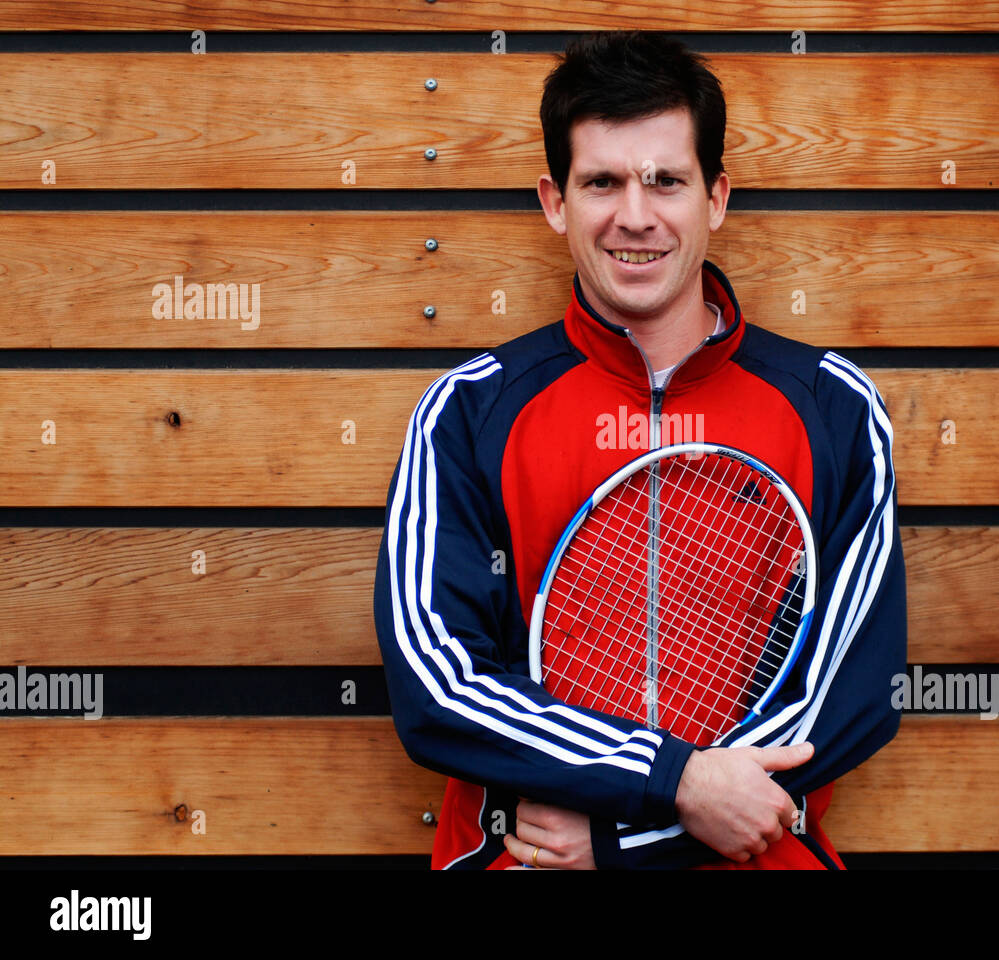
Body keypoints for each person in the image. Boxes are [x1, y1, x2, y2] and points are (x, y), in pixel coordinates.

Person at [373, 30, 907, 870]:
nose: (635, 214)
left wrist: (637, 832)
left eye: (666, 180)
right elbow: (436, 691)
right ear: (554, 202)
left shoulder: (834, 409)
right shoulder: (469, 411)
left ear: (716, 198)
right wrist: (673, 781)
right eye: (602, 182)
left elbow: (851, 696)